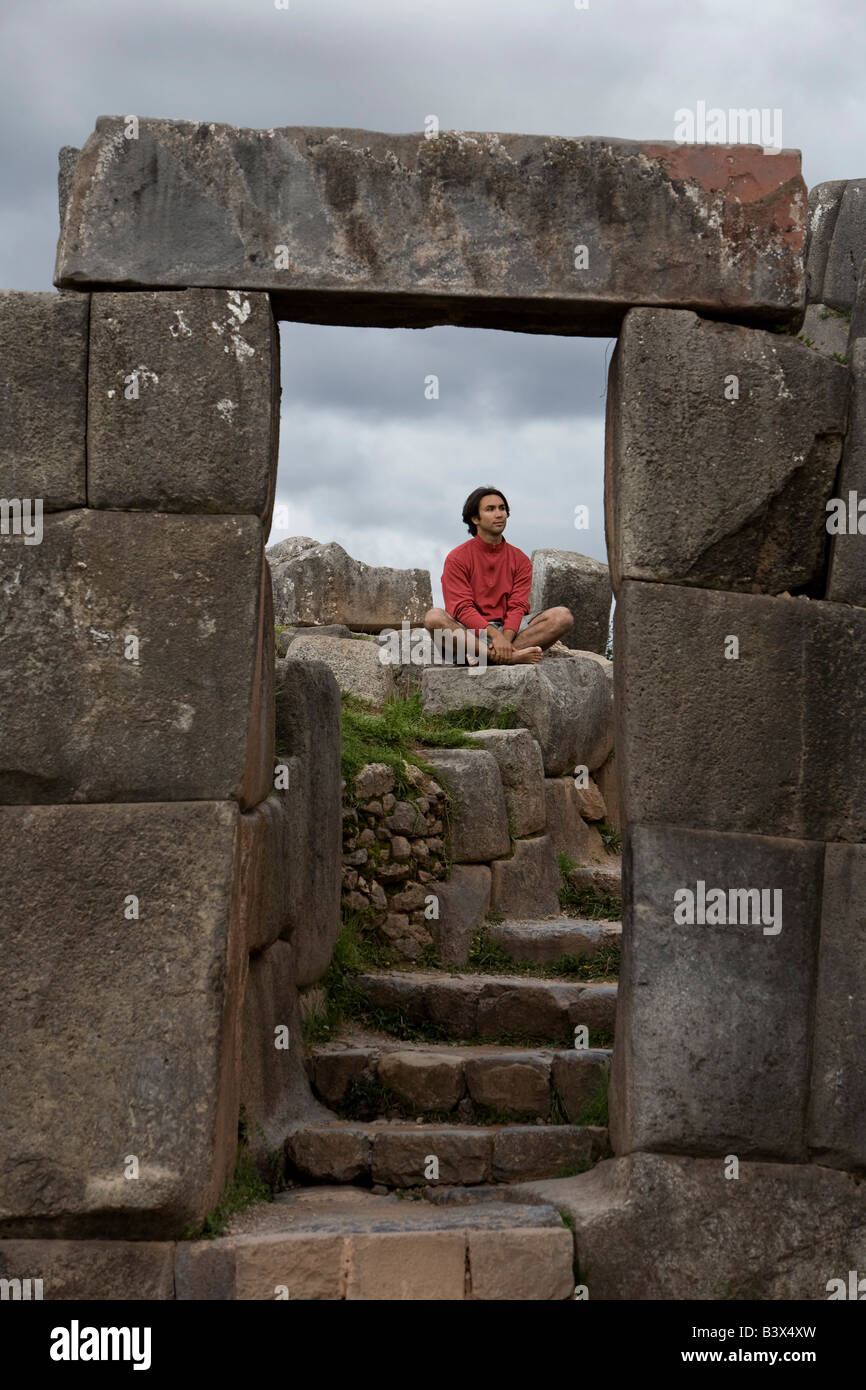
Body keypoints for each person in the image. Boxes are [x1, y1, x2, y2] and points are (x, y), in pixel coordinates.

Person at [424, 486, 573, 665]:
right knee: (433, 618)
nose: (499, 514)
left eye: (502, 508)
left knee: (563, 617)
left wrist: (505, 639)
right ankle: (508, 657)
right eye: (490, 509)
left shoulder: (520, 559)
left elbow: (518, 606)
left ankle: (489, 657)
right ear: (474, 518)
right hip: (470, 633)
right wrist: (494, 636)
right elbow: (462, 608)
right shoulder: (457, 557)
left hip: (509, 631)